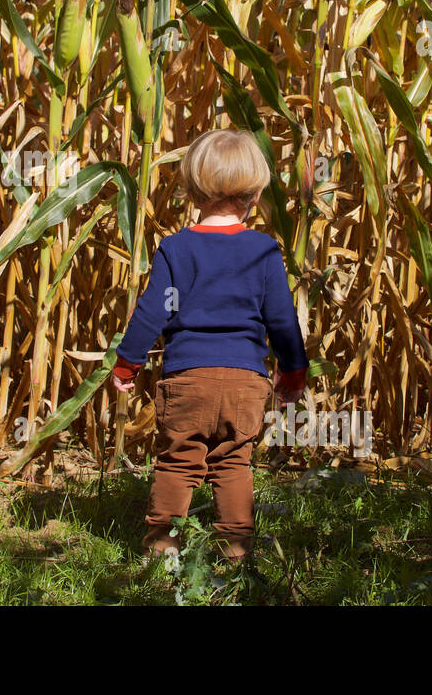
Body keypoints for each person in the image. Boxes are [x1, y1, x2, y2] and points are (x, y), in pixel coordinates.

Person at [110, 129, 309, 560]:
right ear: (255, 195)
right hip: (245, 382)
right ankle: (236, 551)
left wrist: (127, 364)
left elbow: (151, 313)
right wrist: (293, 371)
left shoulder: (177, 249)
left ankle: (162, 549)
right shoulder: (263, 251)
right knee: (234, 463)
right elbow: (282, 321)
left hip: (188, 380)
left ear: (191, 189)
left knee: (179, 462)